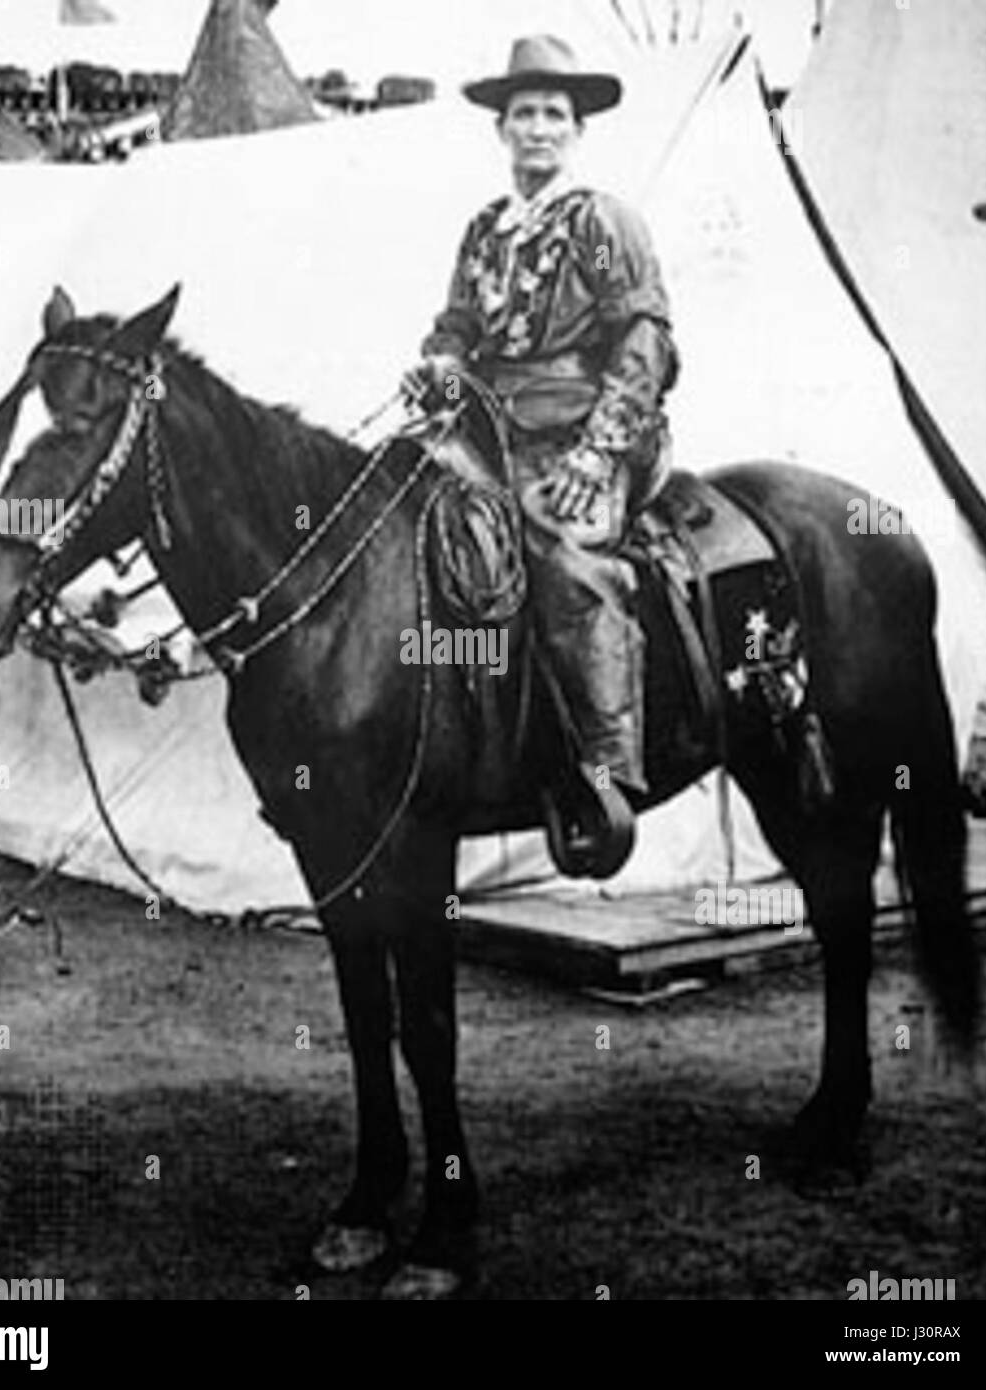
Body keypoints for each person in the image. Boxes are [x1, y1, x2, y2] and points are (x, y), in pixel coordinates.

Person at [405, 34, 679, 869]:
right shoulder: (485, 230)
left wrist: (599, 453)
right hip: (486, 430)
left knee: (564, 557)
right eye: (522, 113)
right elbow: (457, 323)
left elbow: (643, 337)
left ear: (576, 129)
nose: (536, 129)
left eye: (552, 114)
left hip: (581, 429)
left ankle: (605, 771)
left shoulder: (599, 222)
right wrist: (440, 359)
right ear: (501, 128)